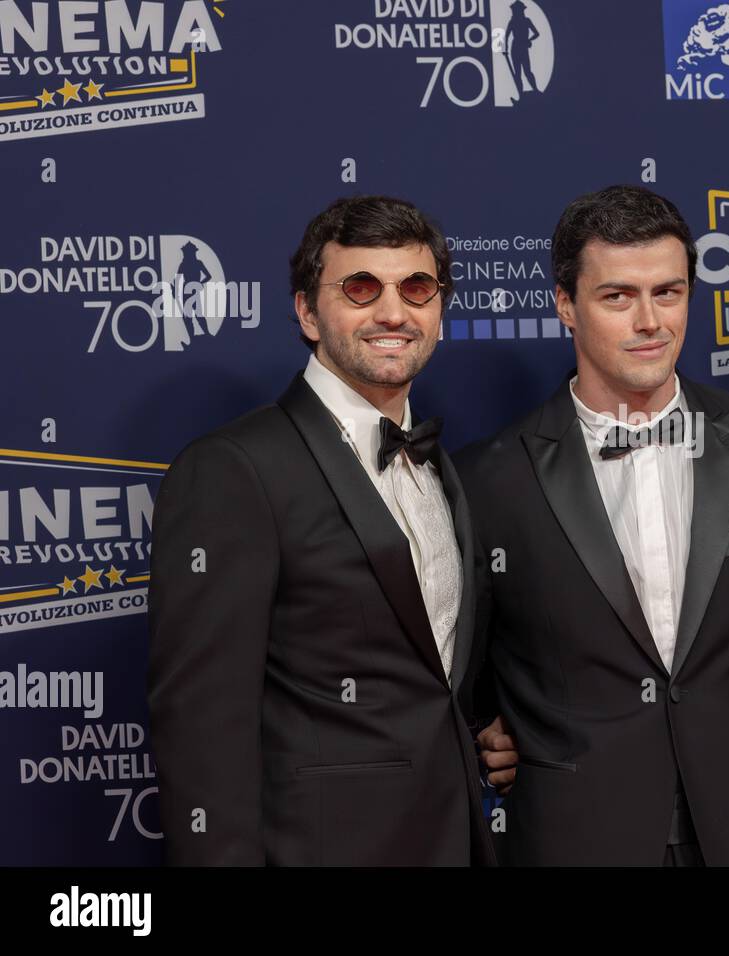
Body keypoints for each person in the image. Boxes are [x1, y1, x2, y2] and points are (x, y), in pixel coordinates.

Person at [459, 185, 729, 866]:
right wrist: (491, 731)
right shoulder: (488, 478)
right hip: (572, 840)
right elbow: (463, 673)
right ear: (565, 306)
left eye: (668, 293)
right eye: (617, 297)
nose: (650, 321)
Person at [147, 195, 494, 865]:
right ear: (308, 312)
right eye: (361, 289)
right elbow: (202, 727)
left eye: (416, 288)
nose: (393, 312)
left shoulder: (441, 464)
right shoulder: (234, 470)